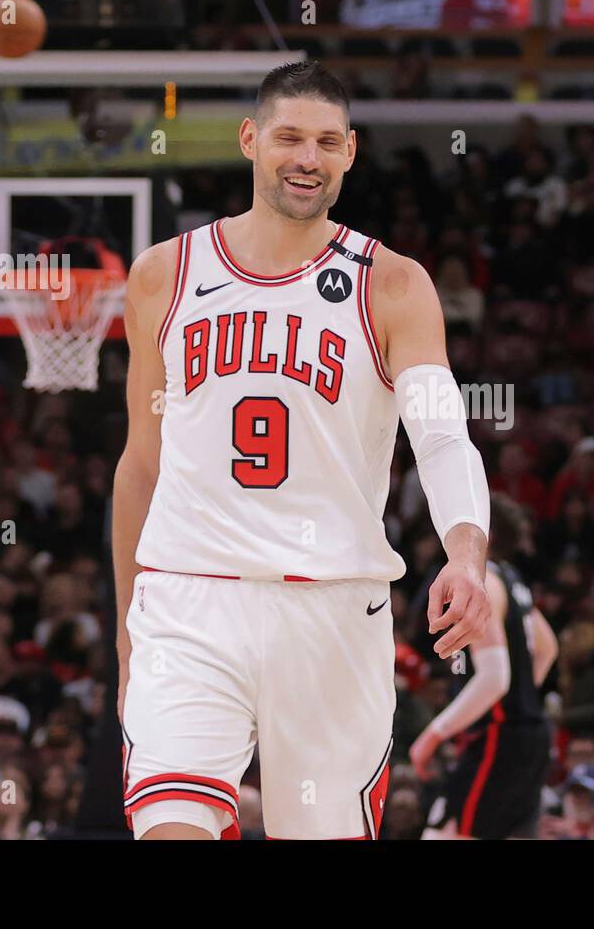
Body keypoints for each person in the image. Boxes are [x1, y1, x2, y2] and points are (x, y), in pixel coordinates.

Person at [113, 61, 492, 841]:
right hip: (190, 598)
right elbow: (140, 462)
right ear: (251, 140)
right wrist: (126, 625)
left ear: (351, 151)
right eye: (288, 137)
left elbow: (442, 431)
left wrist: (466, 551)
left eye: (326, 141)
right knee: (170, 827)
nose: (306, 157)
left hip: (331, 604)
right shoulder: (163, 275)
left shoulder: (392, 283)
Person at [414, 493, 557, 838]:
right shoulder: (511, 578)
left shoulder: (485, 583)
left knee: (445, 832)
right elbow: (547, 648)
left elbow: (495, 678)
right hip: (527, 733)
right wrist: (519, 699)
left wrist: (432, 735)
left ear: (484, 534)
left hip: (500, 737)